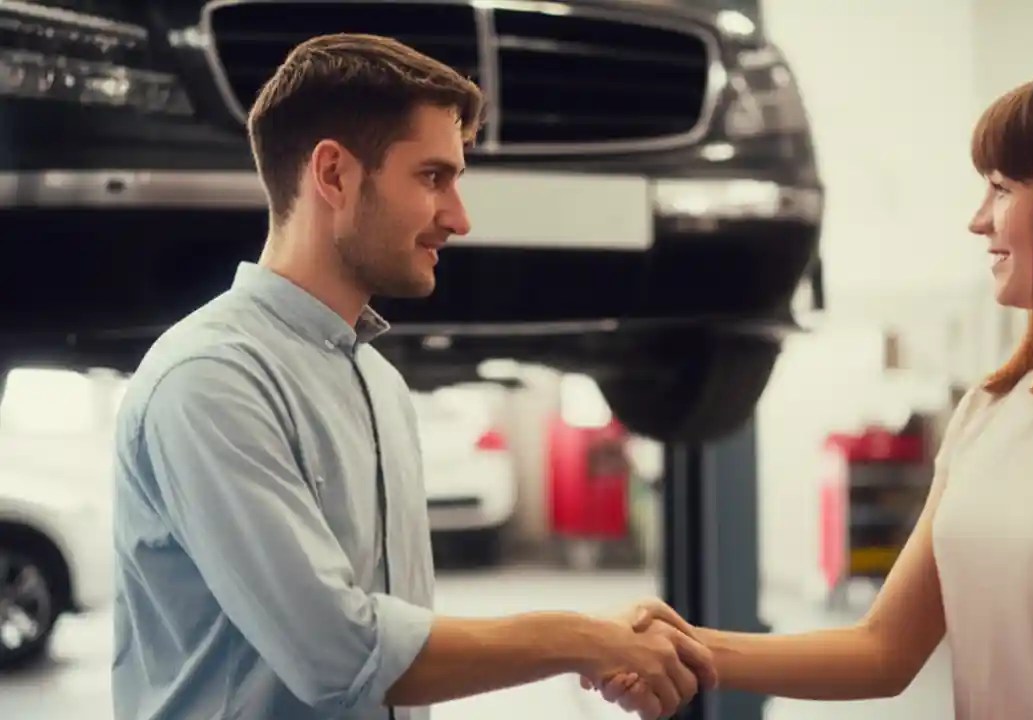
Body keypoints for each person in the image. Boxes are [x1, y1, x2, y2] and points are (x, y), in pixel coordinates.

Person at [589, 69, 1033, 719]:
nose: (978, 220)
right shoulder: (992, 408)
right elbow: (881, 651)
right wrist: (681, 645)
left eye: (1003, 187)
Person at [111, 33, 715, 720]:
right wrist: (581, 639)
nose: (458, 218)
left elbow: (395, 661)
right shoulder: (210, 382)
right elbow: (340, 655)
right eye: (433, 178)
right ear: (334, 175)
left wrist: (605, 640)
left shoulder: (378, 385)